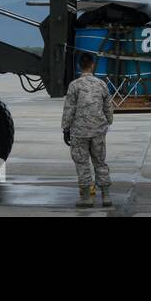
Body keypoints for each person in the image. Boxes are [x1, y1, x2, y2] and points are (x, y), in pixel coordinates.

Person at [62, 52, 114, 208]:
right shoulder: (101, 84)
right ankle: (106, 196)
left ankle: (87, 197)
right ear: (93, 65)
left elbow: (69, 109)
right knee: (100, 162)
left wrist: (66, 129)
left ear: (79, 66)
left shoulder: (74, 85)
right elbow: (108, 107)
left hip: (79, 132)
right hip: (98, 131)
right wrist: (107, 122)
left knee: (82, 163)